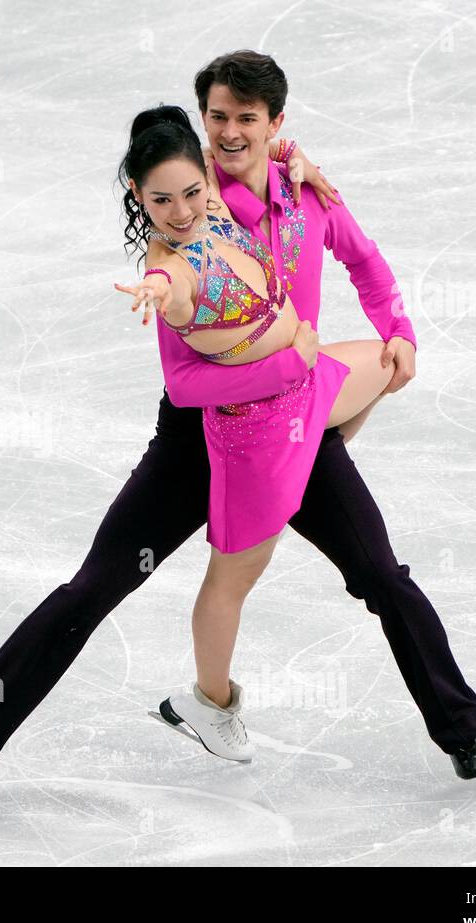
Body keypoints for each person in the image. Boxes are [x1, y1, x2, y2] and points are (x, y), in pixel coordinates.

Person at [0, 51, 476, 802]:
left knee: (382, 577)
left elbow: (367, 263)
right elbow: (185, 375)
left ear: (274, 124)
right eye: (217, 118)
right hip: (197, 438)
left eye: (246, 121)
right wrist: (283, 360)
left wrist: (398, 329)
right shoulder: (193, 212)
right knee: (95, 587)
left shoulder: (304, 192)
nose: (229, 133)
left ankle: (464, 731)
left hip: (293, 429)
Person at [111, 103, 398, 762]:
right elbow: (170, 283)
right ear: (139, 196)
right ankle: (210, 703)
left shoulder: (210, 193)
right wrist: (156, 290)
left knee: (388, 360)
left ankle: (315, 456)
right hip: (262, 426)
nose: (181, 209)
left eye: (190, 190)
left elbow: (245, 148)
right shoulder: (172, 266)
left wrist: (296, 156)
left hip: (313, 385)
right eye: (162, 199)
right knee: (233, 579)